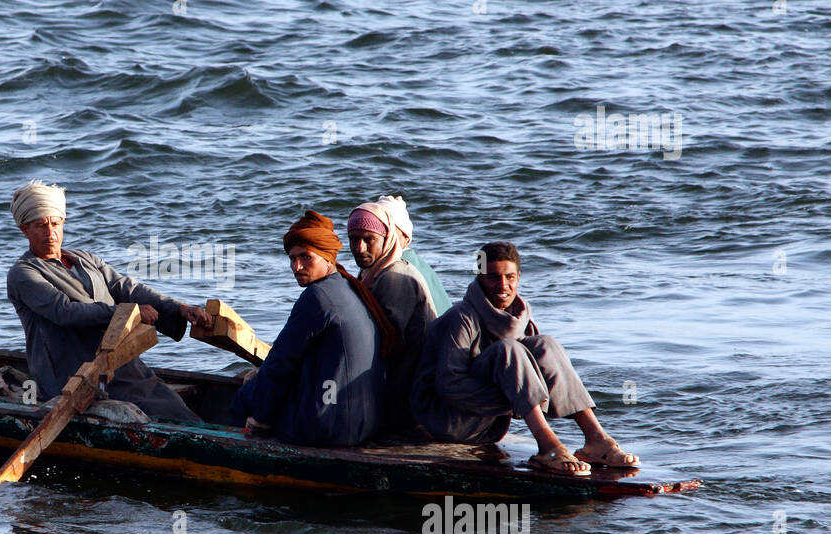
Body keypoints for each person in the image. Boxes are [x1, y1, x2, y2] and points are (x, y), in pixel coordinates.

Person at [409, 241, 639, 475]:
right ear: (479, 278)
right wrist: (514, 400)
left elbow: (532, 377)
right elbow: (449, 384)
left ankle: (595, 439)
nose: (503, 286)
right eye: (493, 277)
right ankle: (547, 447)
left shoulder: (521, 319)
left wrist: (519, 397)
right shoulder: (461, 318)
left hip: (490, 426)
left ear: (518, 277)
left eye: (510, 277)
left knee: (545, 344)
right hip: (447, 422)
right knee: (508, 349)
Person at [5, 179, 212, 422]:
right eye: (41, 226)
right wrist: (125, 312)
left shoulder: (85, 259)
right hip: (74, 374)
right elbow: (65, 311)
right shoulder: (24, 273)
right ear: (24, 230)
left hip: (117, 363)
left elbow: (127, 288)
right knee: (157, 413)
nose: (50, 233)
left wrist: (179, 308)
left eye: (56, 223)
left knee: (176, 410)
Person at [230, 210, 396, 447]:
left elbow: (280, 364)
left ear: (328, 258)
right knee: (260, 382)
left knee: (244, 397)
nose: (297, 266)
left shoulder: (317, 298)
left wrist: (260, 417)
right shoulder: (347, 287)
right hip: (365, 422)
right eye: (292, 258)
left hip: (330, 428)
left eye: (306, 257)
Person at [347, 195, 436, 434]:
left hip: (408, 393)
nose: (360, 248)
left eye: (369, 240)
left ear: (387, 240)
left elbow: (383, 344)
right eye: (353, 239)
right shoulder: (370, 274)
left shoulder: (394, 278)